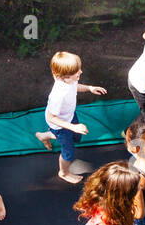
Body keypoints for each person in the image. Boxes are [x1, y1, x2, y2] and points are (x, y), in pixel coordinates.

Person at [36, 51, 107, 184]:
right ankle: (63, 172)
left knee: (76, 137)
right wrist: (73, 127)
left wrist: (89, 88)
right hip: (59, 123)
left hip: (69, 116)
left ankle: (44, 135)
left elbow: (75, 87)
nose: (80, 72)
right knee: (68, 151)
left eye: (79, 69)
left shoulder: (69, 81)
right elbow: (52, 118)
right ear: (64, 77)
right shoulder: (58, 95)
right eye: (76, 72)